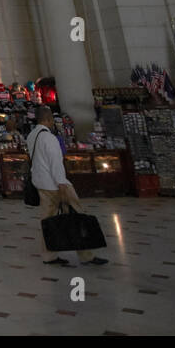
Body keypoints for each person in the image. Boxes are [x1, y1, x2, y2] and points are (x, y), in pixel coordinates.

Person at [26, 107, 107, 267]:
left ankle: (49, 256)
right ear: (48, 119)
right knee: (77, 215)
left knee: (47, 220)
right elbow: (55, 164)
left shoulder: (31, 136)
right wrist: (61, 184)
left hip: (41, 183)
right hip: (56, 184)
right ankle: (86, 255)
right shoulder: (49, 138)